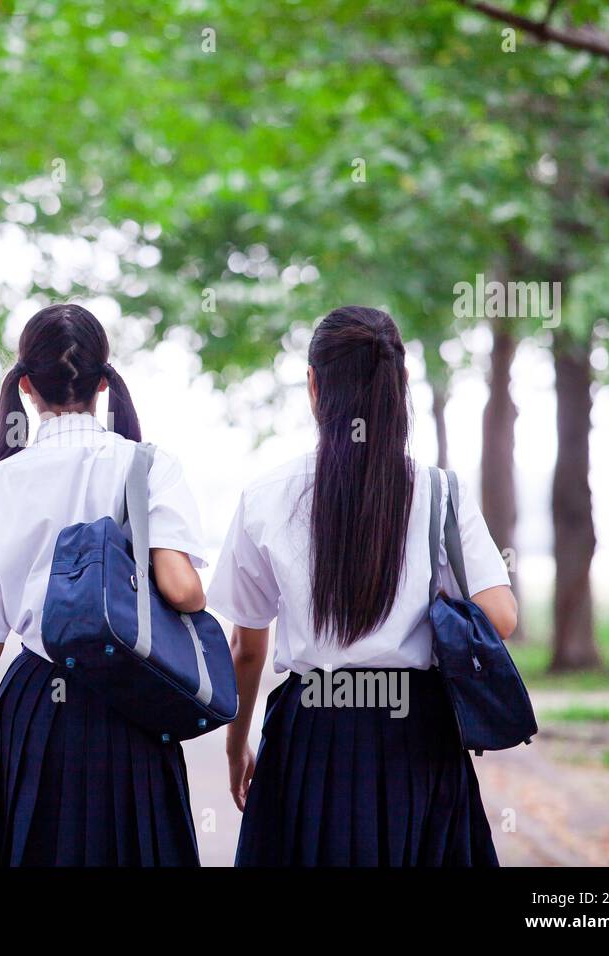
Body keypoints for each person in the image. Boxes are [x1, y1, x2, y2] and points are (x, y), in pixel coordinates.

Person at [209, 305, 517, 867]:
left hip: (312, 736)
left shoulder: (266, 495)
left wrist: (237, 745)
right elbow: (500, 614)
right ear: (398, 388)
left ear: (313, 385)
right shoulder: (438, 492)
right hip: (417, 732)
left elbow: (246, 646)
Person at [0, 303, 209, 866]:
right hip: (133, 695)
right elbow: (182, 591)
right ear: (104, 383)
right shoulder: (149, 465)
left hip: (37, 709)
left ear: (26, 387)